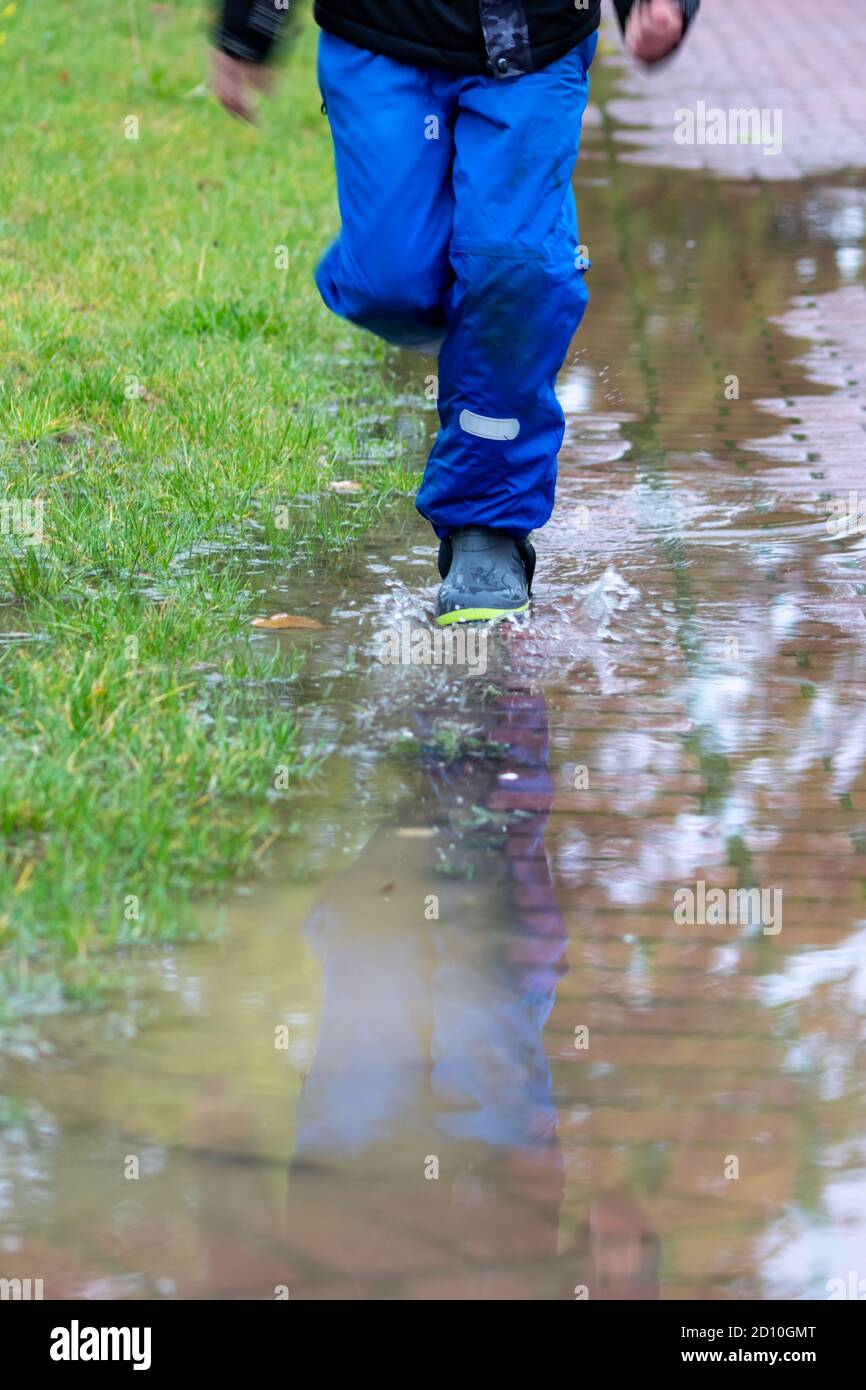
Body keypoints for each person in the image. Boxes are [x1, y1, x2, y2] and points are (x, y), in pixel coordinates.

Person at [213, 1, 699, 624]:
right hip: (381, 34)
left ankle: (486, 525)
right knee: (390, 281)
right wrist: (249, 23)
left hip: (532, 39)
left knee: (514, 270)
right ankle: (482, 315)